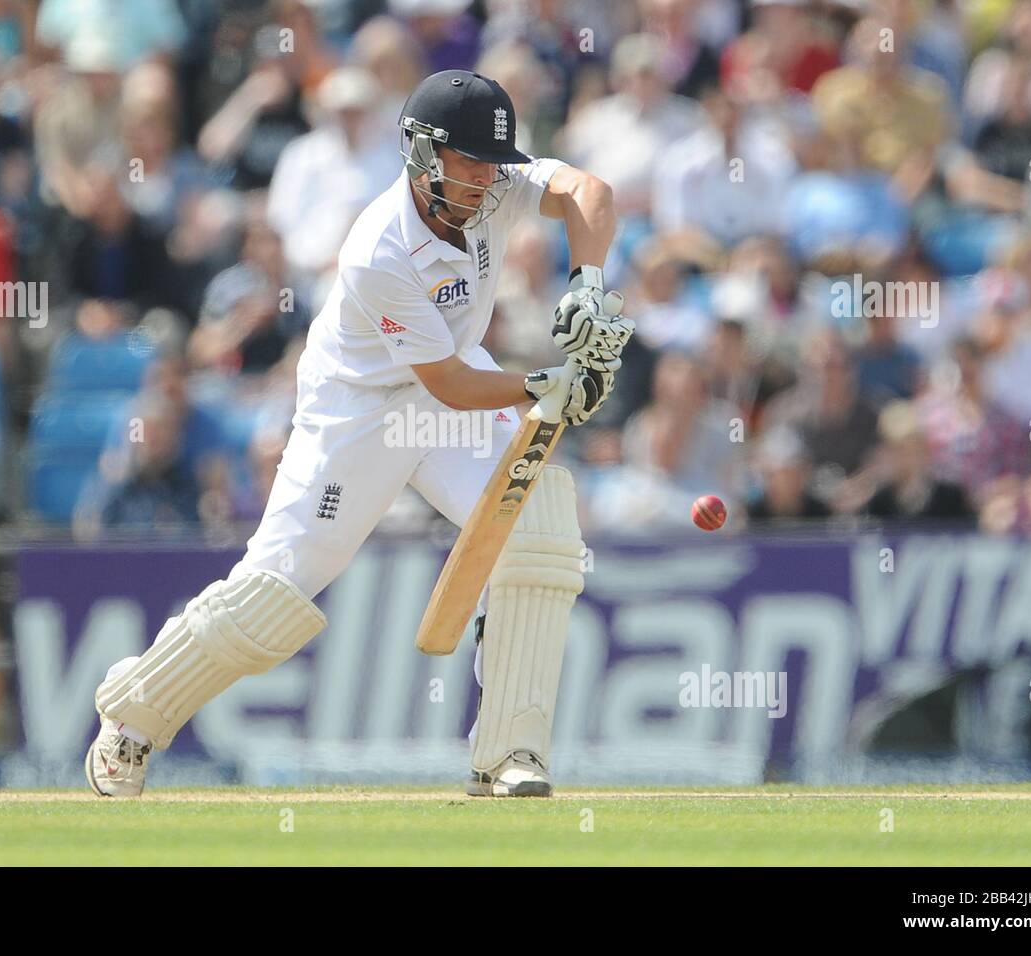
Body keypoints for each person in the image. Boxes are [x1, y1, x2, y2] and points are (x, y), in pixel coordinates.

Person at [85, 70, 633, 799]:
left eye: (491, 163)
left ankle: (509, 753)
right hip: (361, 411)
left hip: (451, 388)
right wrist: (545, 385)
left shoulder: (497, 181)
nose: (482, 181)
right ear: (423, 155)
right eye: (466, 163)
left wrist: (586, 284)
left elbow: (590, 193)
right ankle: (135, 714)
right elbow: (446, 383)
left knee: (539, 529)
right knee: (274, 593)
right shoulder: (379, 247)